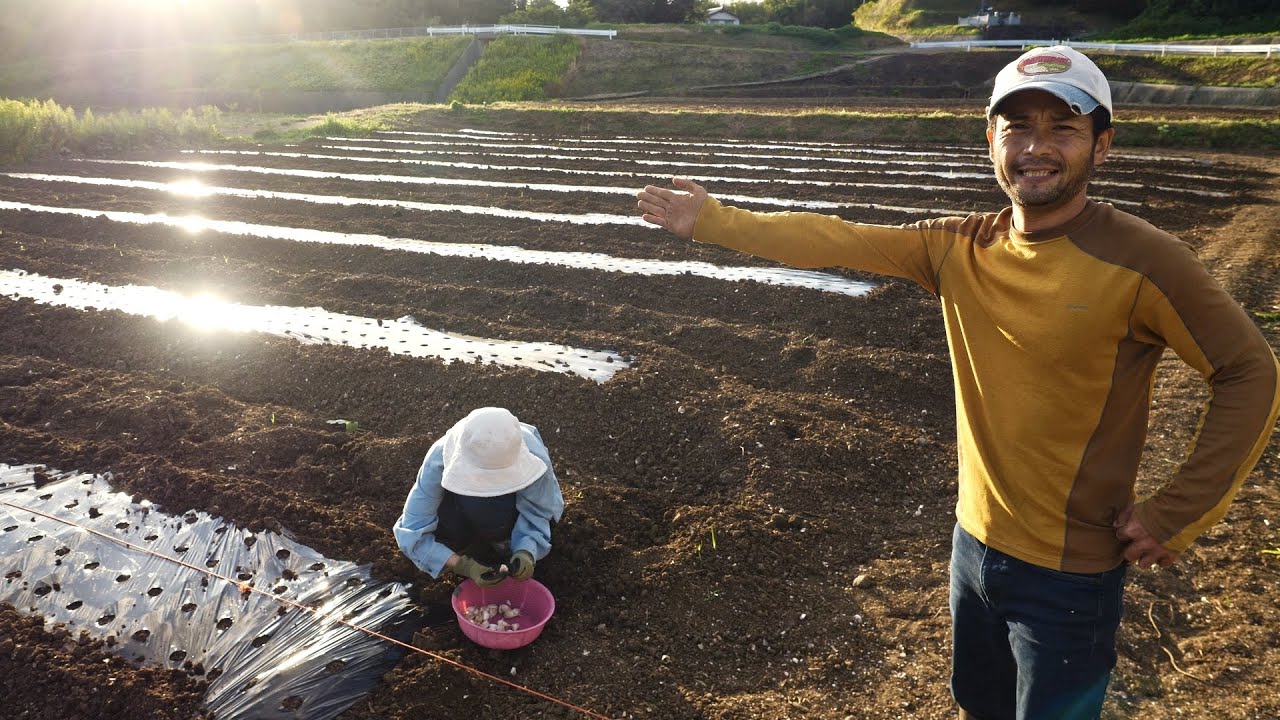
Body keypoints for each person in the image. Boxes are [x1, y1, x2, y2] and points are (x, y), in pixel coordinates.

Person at [636, 45, 1280, 720]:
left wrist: (1175, 513)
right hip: (972, 550)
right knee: (978, 705)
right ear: (991, 142)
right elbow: (838, 239)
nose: (1037, 147)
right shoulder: (962, 247)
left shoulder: (1144, 259)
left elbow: (1250, 372)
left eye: (1063, 127)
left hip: (1070, 576)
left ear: (1102, 144)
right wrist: (712, 223)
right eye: (1018, 128)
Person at [393, 407, 564, 588]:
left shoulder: (533, 457)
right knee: (449, 525)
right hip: (460, 509)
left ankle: (504, 540)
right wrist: (462, 565)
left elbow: (541, 510)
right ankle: (465, 542)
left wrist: (527, 550)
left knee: (501, 517)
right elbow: (412, 530)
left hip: (506, 510)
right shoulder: (440, 457)